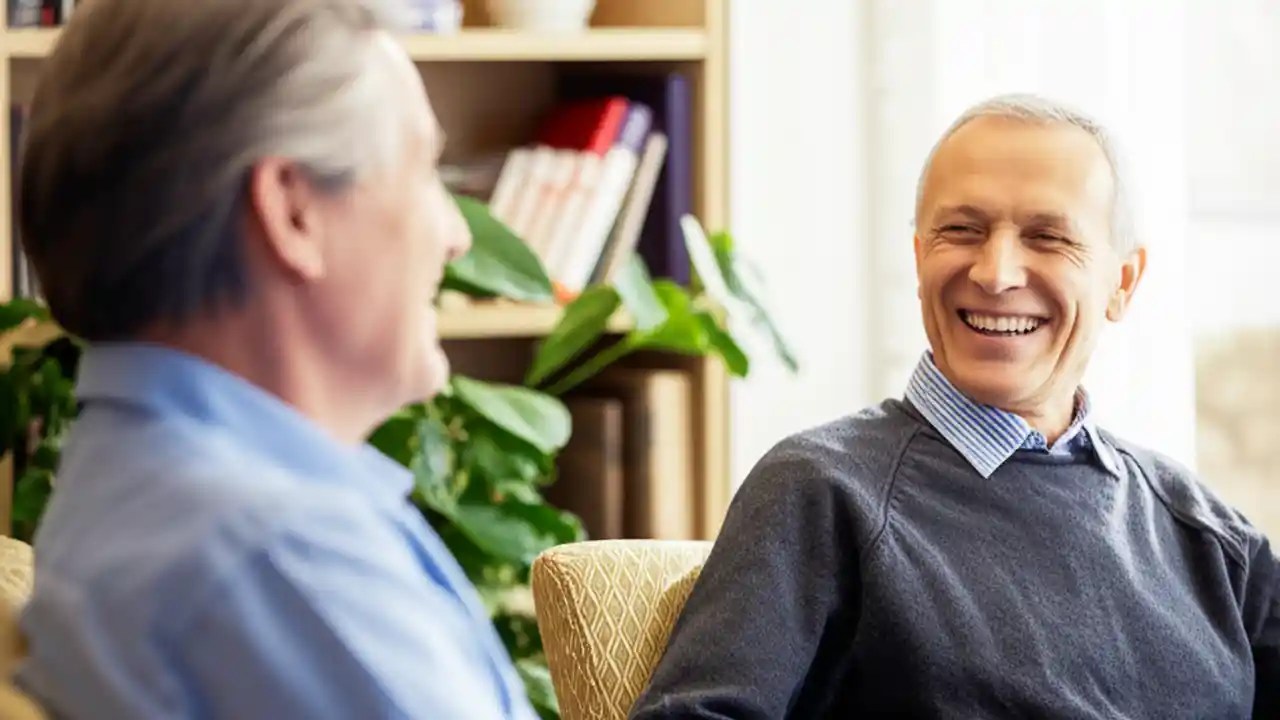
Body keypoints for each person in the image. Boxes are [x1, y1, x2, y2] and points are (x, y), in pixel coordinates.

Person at [630, 94, 1280, 719]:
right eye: (962, 231)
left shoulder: (1212, 540)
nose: (996, 273)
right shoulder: (821, 491)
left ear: (1122, 282)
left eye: (1048, 237)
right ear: (919, 258)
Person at [13, 0, 536, 717]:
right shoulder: (278, 556)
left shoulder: (135, 484)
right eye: (423, 171)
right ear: (293, 212)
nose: (457, 238)